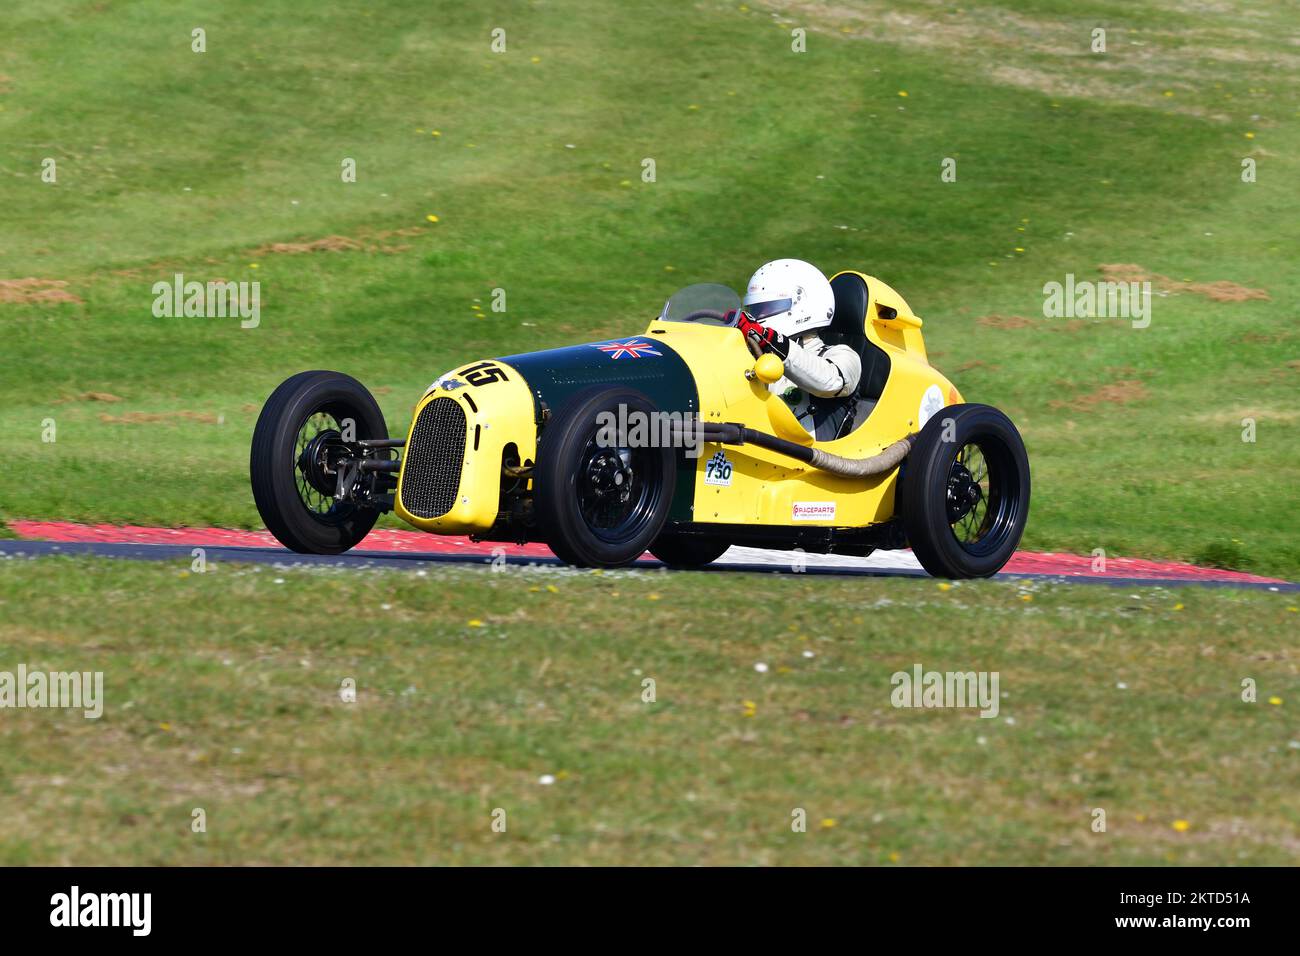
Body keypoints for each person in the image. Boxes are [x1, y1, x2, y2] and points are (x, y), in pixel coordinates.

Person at [732, 259, 861, 416]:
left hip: (798, 440)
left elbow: (830, 381)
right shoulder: (750, 354)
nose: (758, 316)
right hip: (739, 435)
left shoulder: (844, 355)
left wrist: (771, 339)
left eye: (768, 307)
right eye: (756, 309)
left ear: (802, 304)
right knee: (695, 428)